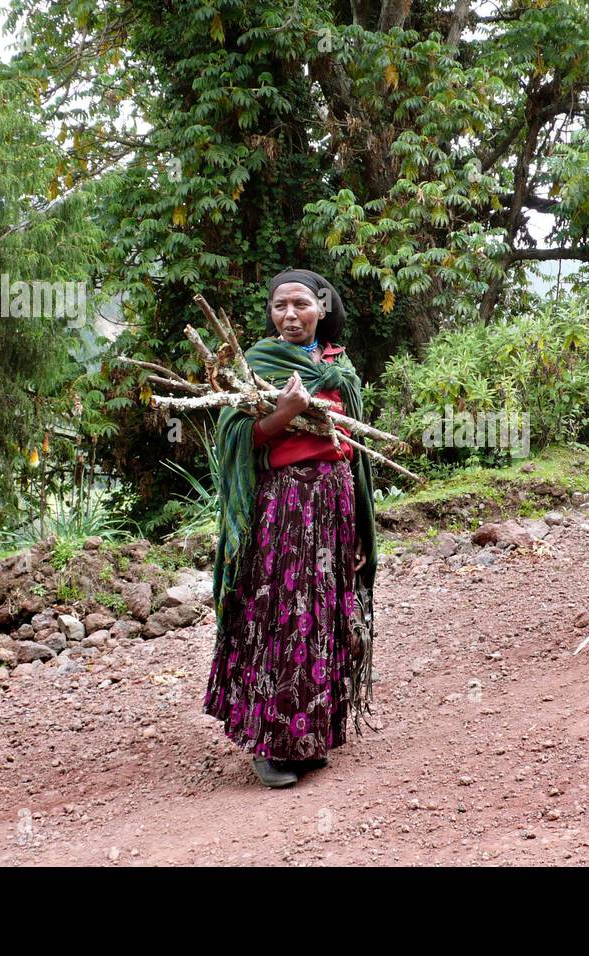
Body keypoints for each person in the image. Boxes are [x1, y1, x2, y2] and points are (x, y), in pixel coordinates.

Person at [205, 268, 377, 788]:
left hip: (336, 504)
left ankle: (308, 739)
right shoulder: (256, 365)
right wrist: (284, 414)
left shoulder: (339, 366)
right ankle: (269, 744)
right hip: (284, 505)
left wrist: (362, 533)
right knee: (280, 614)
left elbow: (353, 451)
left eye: (300, 304)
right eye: (280, 306)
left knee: (324, 613)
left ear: (322, 308)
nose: (289, 315)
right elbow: (237, 441)